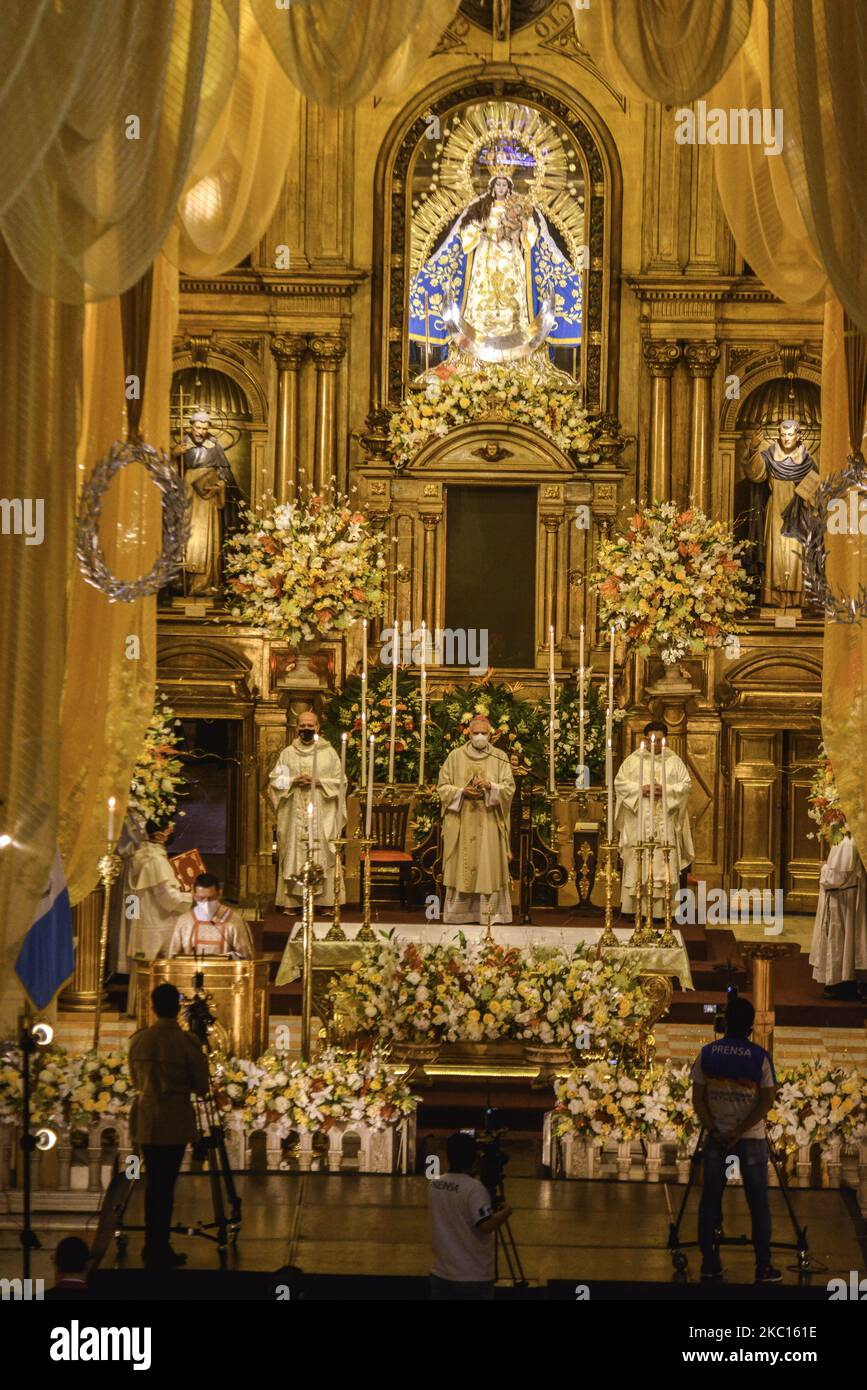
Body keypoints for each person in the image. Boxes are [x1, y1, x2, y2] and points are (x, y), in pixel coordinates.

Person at [691, 995, 780, 1284]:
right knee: (758, 1202)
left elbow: (698, 1098)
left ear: (725, 1022)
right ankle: (763, 1265)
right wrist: (740, 1130)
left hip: (717, 1136)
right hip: (750, 1137)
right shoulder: (759, 1056)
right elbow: (766, 1101)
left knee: (710, 1199)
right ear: (751, 1026)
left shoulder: (708, 1053)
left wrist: (716, 1130)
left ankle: (709, 1263)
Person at [128, 982, 210, 1270]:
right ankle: (158, 1247)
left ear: (152, 1007)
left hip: (147, 1118)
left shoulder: (139, 1040)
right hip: (173, 1118)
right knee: (165, 1185)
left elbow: (134, 1080)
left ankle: (154, 1244)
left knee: (152, 1184)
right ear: (178, 1009)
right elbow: (202, 1087)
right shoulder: (186, 1042)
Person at [437, 715, 515, 925]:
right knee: (461, 870)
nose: (480, 736)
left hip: (489, 821)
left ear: (491, 734)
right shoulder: (454, 757)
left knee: (487, 866)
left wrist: (491, 787)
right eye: (476, 733)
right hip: (462, 818)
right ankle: (458, 913)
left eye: (484, 733)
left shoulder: (499, 756)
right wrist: (462, 792)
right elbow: (442, 787)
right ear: (468, 733)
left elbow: (509, 788)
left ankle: (489, 914)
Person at [614, 720, 693, 919]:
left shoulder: (674, 761)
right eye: (651, 740)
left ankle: (663, 912)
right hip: (639, 820)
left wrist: (666, 790)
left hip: (664, 822)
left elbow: (686, 786)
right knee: (638, 860)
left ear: (665, 740)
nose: (654, 744)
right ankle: (634, 910)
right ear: (645, 739)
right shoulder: (633, 760)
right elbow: (620, 784)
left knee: (662, 860)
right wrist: (640, 789)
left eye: (658, 741)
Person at [268, 711, 344, 915]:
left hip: (322, 811)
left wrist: (318, 782)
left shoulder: (328, 753)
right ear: (296, 727)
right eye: (303, 725)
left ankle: (325, 903)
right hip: (294, 813)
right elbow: (276, 781)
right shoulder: (287, 754)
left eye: (310, 725)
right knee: (294, 853)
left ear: (318, 727)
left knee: (322, 852)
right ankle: (292, 902)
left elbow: (341, 782)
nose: (306, 729)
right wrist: (293, 781)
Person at [742, 418, 819, 609]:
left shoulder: (808, 461)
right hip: (775, 510)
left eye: (791, 434)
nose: (786, 438)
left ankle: (796, 599)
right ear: (779, 435)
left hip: (798, 514)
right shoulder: (769, 457)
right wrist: (753, 449)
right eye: (783, 434)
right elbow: (755, 474)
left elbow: (817, 488)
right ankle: (774, 598)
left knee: (795, 554)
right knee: (775, 554)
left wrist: (809, 497)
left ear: (799, 436)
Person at [429, 1132, 513, 1301]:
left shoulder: (435, 1184)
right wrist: (506, 1212)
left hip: (442, 1272)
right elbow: (485, 1225)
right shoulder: (474, 1188)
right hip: (472, 1274)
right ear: (474, 1157)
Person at [173, 409, 244, 596]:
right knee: (188, 536)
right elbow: (168, 474)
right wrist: (175, 455)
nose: (200, 432)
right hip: (188, 493)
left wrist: (219, 485)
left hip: (208, 498)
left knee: (207, 537)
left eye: (204, 428)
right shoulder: (182, 445)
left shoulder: (214, 446)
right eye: (197, 427)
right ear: (191, 426)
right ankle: (184, 582)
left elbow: (224, 475)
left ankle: (205, 583)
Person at [125, 820, 192, 1013]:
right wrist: (192, 896)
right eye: (169, 829)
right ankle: (150, 1010)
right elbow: (167, 897)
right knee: (156, 966)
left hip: (147, 920)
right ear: (159, 834)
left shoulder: (143, 856)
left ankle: (139, 1008)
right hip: (157, 922)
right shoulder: (155, 861)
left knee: (146, 965)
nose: (171, 832)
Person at [809, 833, 867, 1001]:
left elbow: (836, 877)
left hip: (842, 901)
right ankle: (842, 981)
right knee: (843, 943)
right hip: (843, 897)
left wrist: (823, 868)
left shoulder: (847, 843)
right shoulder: (847, 840)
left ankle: (841, 983)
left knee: (840, 942)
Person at [167, 873, 254, 958]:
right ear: (194, 894)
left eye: (211, 898)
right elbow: (173, 957)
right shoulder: (184, 921)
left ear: (219, 893)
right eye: (201, 898)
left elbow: (246, 957)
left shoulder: (235, 920)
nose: (206, 904)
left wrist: (232, 957)